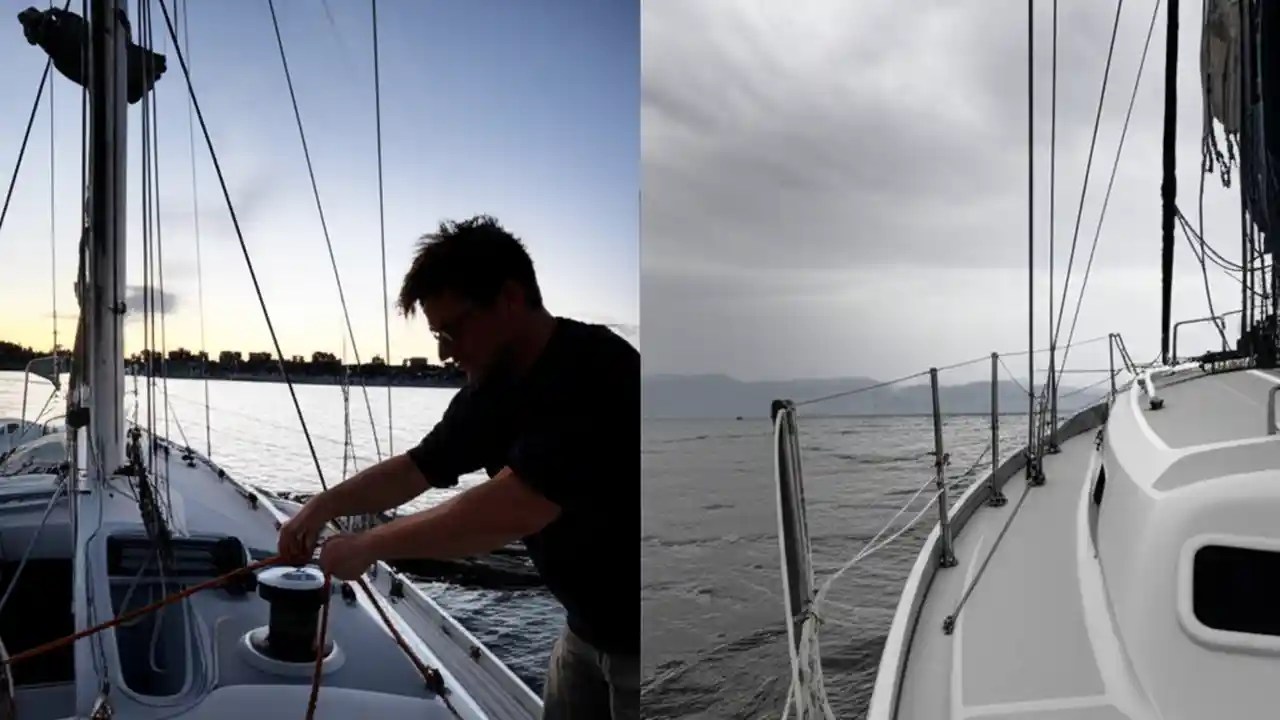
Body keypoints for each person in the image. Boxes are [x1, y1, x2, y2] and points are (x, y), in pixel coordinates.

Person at [277, 215, 638, 720]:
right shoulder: (492, 389)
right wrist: (321, 506)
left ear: (509, 300)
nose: (444, 350)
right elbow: (416, 469)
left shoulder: (600, 371)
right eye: (437, 334)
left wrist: (368, 545)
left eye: (451, 329)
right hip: (582, 634)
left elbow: (517, 506)